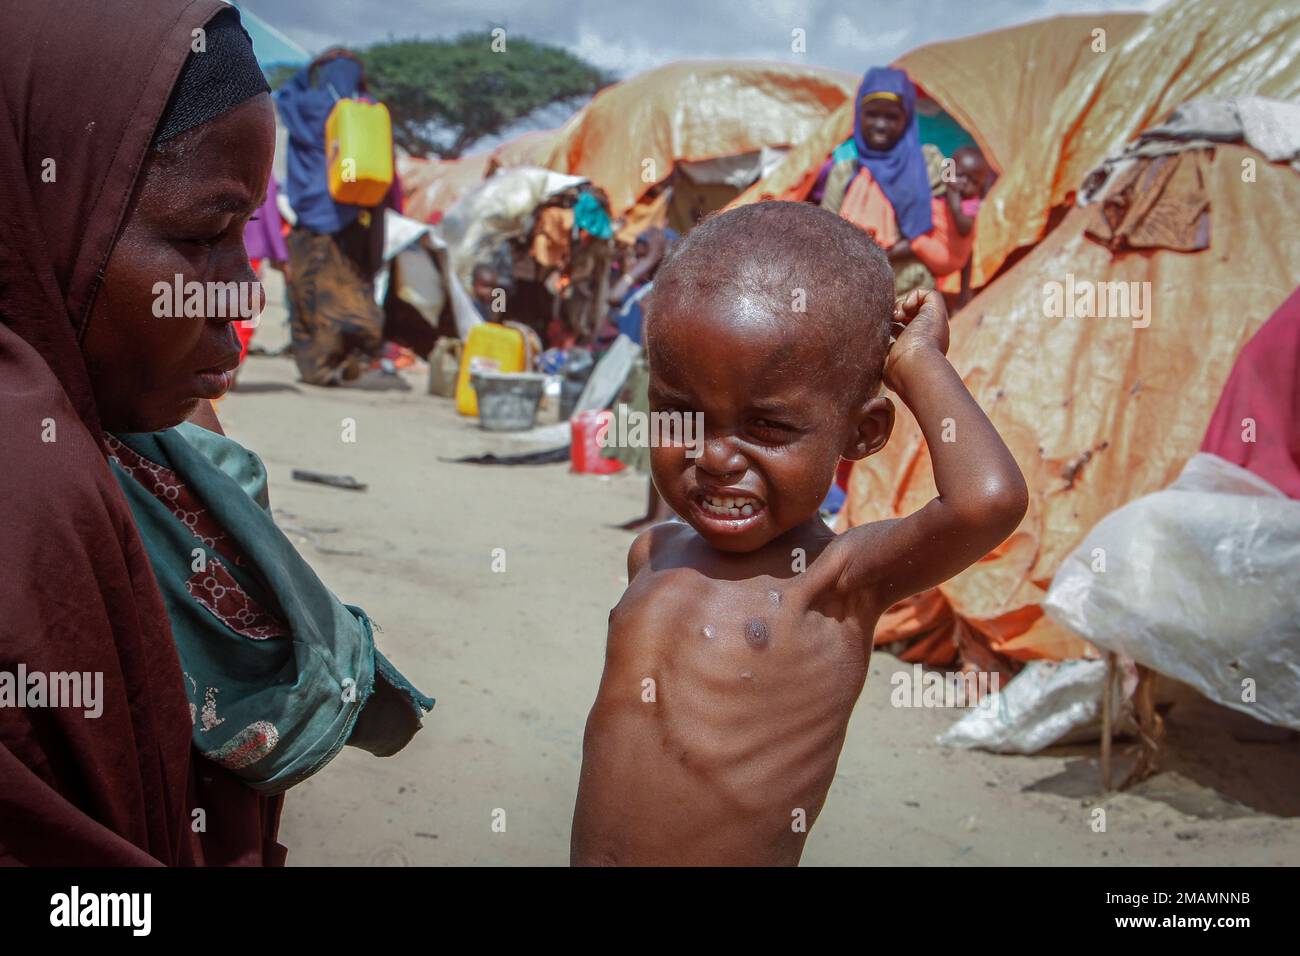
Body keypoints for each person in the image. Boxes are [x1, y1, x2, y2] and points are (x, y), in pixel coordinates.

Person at [0, 0, 430, 866]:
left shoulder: (128, 440)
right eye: (202, 237)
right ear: (46, 207)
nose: (242, 296)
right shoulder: (29, 498)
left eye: (244, 236)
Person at [570, 202, 1027, 865]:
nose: (716, 458)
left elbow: (988, 501)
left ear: (862, 433)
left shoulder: (839, 580)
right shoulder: (652, 552)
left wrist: (916, 360)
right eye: (680, 414)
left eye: (768, 428)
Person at [277, 49, 403, 388]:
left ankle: (317, 366)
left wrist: (310, 70)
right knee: (350, 287)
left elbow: (285, 96)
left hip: (311, 222)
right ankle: (350, 355)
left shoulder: (308, 105)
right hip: (356, 222)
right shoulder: (368, 110)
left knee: (309, 292)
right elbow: (388, 171)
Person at [820, 67, 973, 296]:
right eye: (872, 114)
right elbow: (826, 239)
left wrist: (965, 294)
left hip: (912, 295)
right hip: (853, 295)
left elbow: (965, 223)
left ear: (908, 118)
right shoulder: (844, 174)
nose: (881, 125)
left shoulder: (930, 164)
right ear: (859, 115)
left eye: (891, 116)